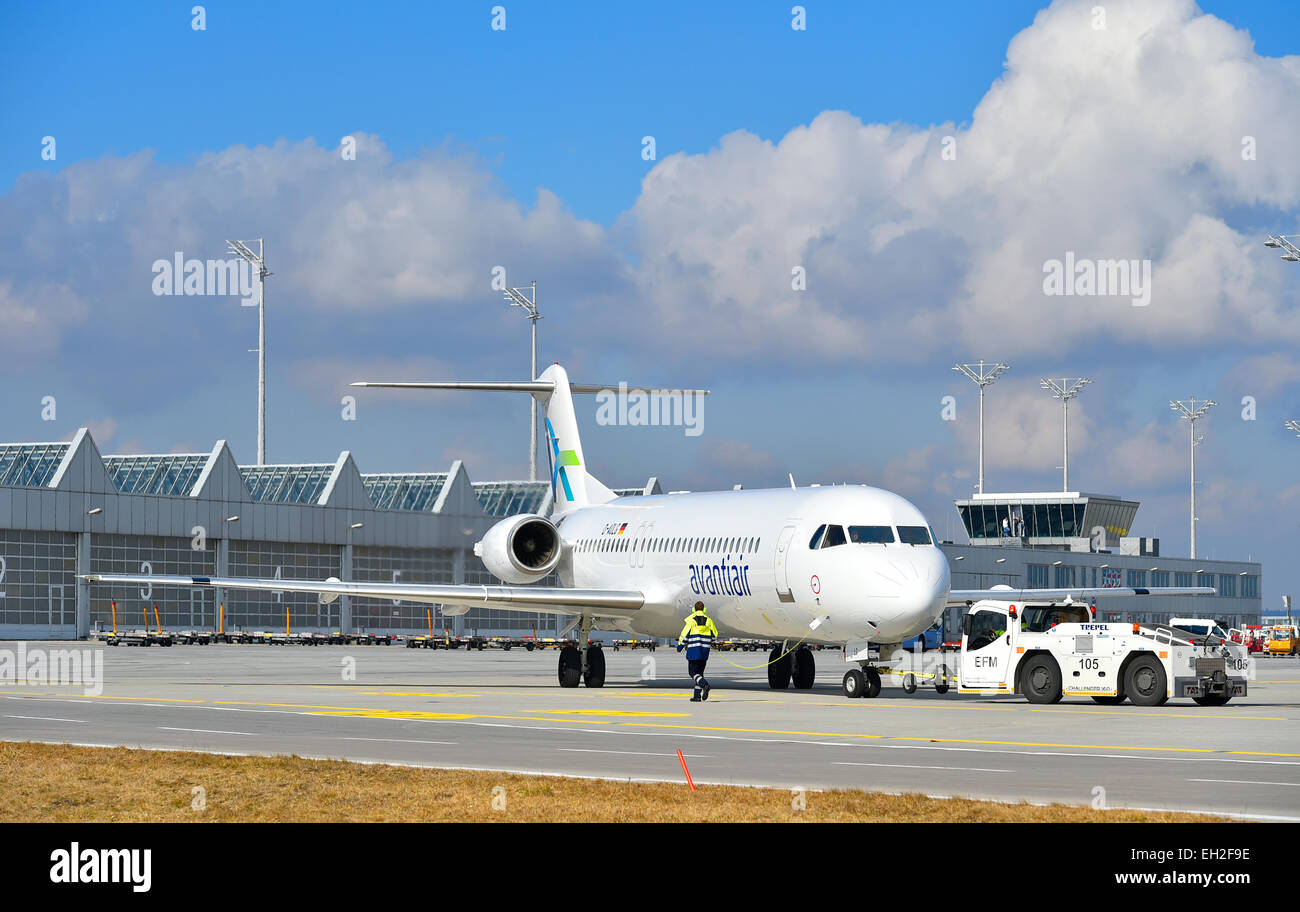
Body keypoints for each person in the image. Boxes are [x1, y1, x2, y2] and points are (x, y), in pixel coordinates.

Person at [677, 601, 719, 702]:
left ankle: (705, 685)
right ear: (704, 610)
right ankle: (697, 696)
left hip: (694, 650)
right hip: (704, 651)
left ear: (694, 610)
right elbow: (715, 635)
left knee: (692, 672)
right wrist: (710, 641)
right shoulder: (709, 621)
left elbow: (684, 635)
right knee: (699, 673)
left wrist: (680, 646)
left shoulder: (691, 621)